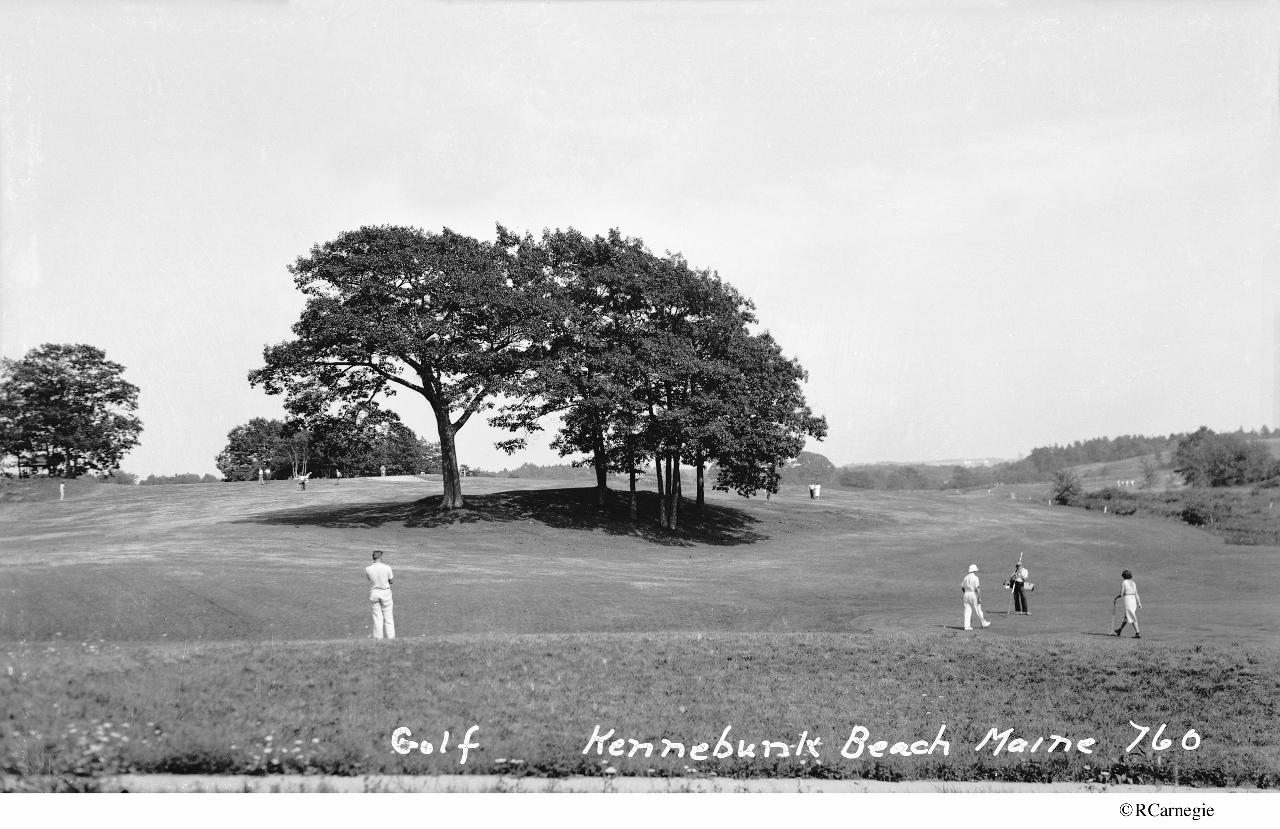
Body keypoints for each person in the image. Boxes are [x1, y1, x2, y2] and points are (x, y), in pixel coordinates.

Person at [366, 550, 395, 640]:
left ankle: (378, 638)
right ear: (381, 557)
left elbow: (369, 578)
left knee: (377, 617)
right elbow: (392, 581)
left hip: (375, 592)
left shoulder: (368, 569)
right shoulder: (387, 567)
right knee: (388, 617)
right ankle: (391, 638)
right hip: (385, 592)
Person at [961, 564, 991, 630]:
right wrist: (979, 597)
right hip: (973, 594)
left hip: (966, 594)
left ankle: (966, 626)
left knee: (967, 611)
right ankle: (984, 623)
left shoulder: (965, 577)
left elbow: (962, 587)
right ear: (975, 570)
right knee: (978, 610)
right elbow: (977, 588)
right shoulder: (975, 578)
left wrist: (965, 592)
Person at [1113, 569, 1141, 638]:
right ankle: (1119, 630)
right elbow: (1136, 593)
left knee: (1131, 616)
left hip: (1128, 600)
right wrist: (1139, 603)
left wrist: (1116, 597)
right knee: (1126, 616)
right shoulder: (1133, 583)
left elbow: (1121, 594)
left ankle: (1137, 632)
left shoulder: (1124, 582)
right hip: (1133, 600)